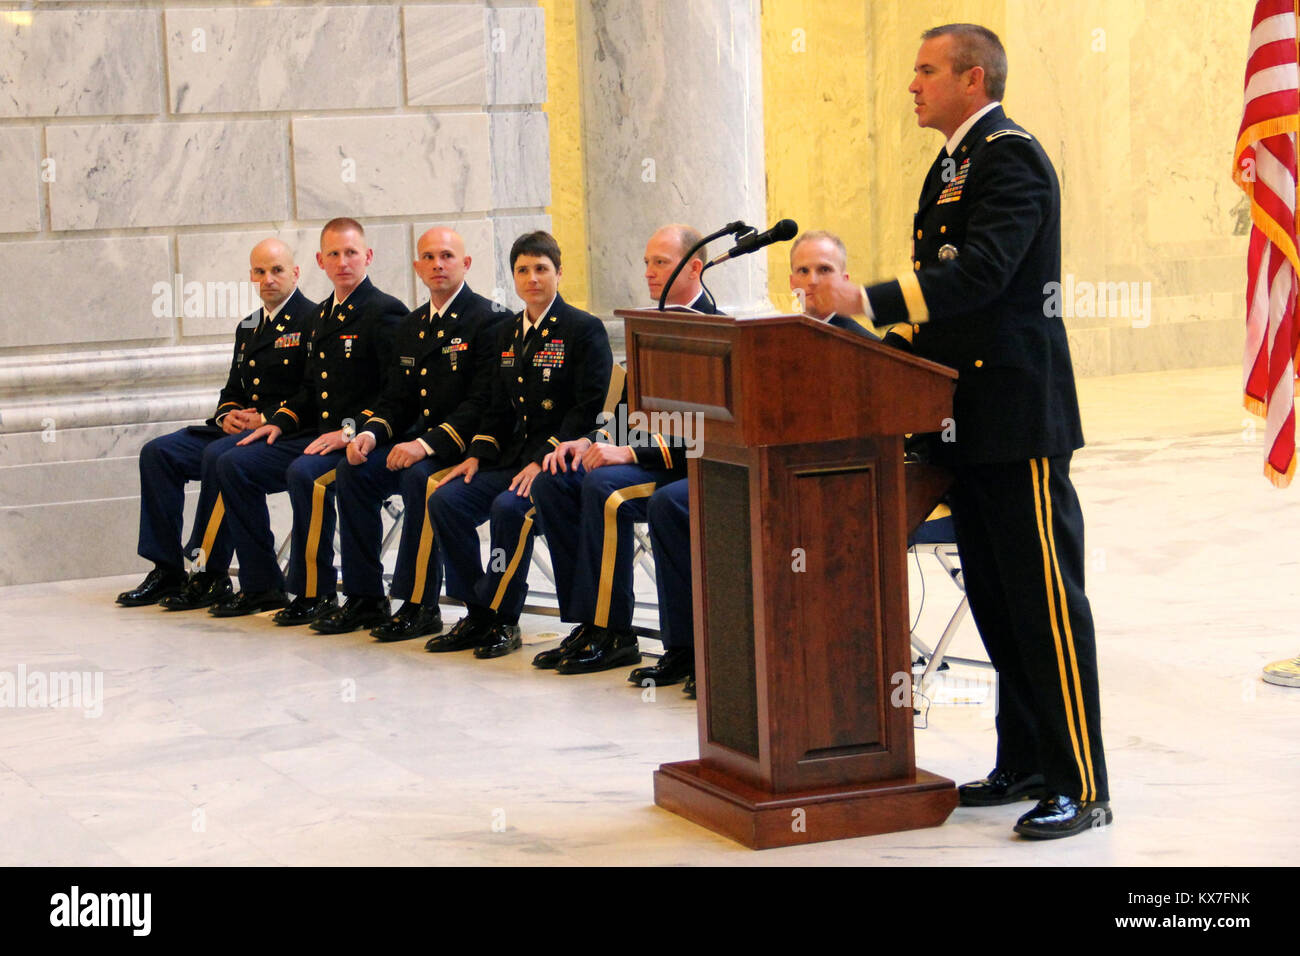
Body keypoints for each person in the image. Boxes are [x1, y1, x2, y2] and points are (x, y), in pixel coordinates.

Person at [826, 23, 1109, 840]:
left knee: (1045, 605)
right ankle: (1023, 761)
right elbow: (955, 305)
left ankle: (1081, 781)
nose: (911, 85)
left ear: (973, 78)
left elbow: (983, 275)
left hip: (1015, 419)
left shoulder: (1009, 154)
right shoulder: (954, 162)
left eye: (926, 71)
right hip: (964, 420)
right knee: (994, 601)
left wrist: (871, 302)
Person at [530, 224, 719, 678]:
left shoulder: (716, 328)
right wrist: (594, 441)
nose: (650, 273)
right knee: (556, 479)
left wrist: (632, 454)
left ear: (695, 267)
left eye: (662, 263)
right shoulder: (653, 320)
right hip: (644, 454)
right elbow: (629, 410)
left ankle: (622, 633)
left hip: (687, 466)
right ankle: (589, 622)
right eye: (648, 263)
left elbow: (708, 425)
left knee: (606, 488)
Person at [425, 231, 612, 659]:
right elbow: (495, 405)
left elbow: (587, 410)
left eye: (541, 269)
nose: (532, 278)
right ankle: (477, 610)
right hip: (508, 461)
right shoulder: (506, 332)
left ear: (559, 272)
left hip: (558, 464)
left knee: (509, 510)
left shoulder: (584, 329)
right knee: (445, 500)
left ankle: (503, 620)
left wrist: (540, 460)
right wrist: (476, 454)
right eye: (522, 270)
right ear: (513, 276)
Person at [212, 218, 407, 619]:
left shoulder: (384, 311)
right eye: (333, 254)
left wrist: (349, 430)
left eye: (351, 252)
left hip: (367, 438)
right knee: (232, 463)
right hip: (316, 434)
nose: (343, 262)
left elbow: (395, 394)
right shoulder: (322, 316)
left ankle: (316, 593)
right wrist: (279, 421)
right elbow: (309, 390)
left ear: (367, 256)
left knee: (306, 474)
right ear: (320, 261)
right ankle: (262, 585)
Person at [320, 227, 506, 637]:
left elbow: (482, 403)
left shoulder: (490, 319)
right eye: (428, 257)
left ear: (466, 263)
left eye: (447, 256)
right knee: (354, 472)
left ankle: (420, 603)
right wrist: (368, 435)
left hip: (460, 448)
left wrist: (425, 445)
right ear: (417, 266)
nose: (438, 265)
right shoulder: (414, 323)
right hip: (414, 441)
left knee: (419, 479)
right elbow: (396, 400)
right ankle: (366, 596)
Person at [116, 239, 313, 610]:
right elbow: (233, 388)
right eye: (259, 271)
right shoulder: (250, 326)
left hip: (285, 433)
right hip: (240, 431)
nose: (268, 279)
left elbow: (315, 392)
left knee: (222, 458)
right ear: (251, 276)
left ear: (296, 273)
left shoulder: (313, 320)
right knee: (159, 453)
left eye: (277, 270)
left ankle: (208, 573)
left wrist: (267, 418)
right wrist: (228, 416)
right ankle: (167, 568)